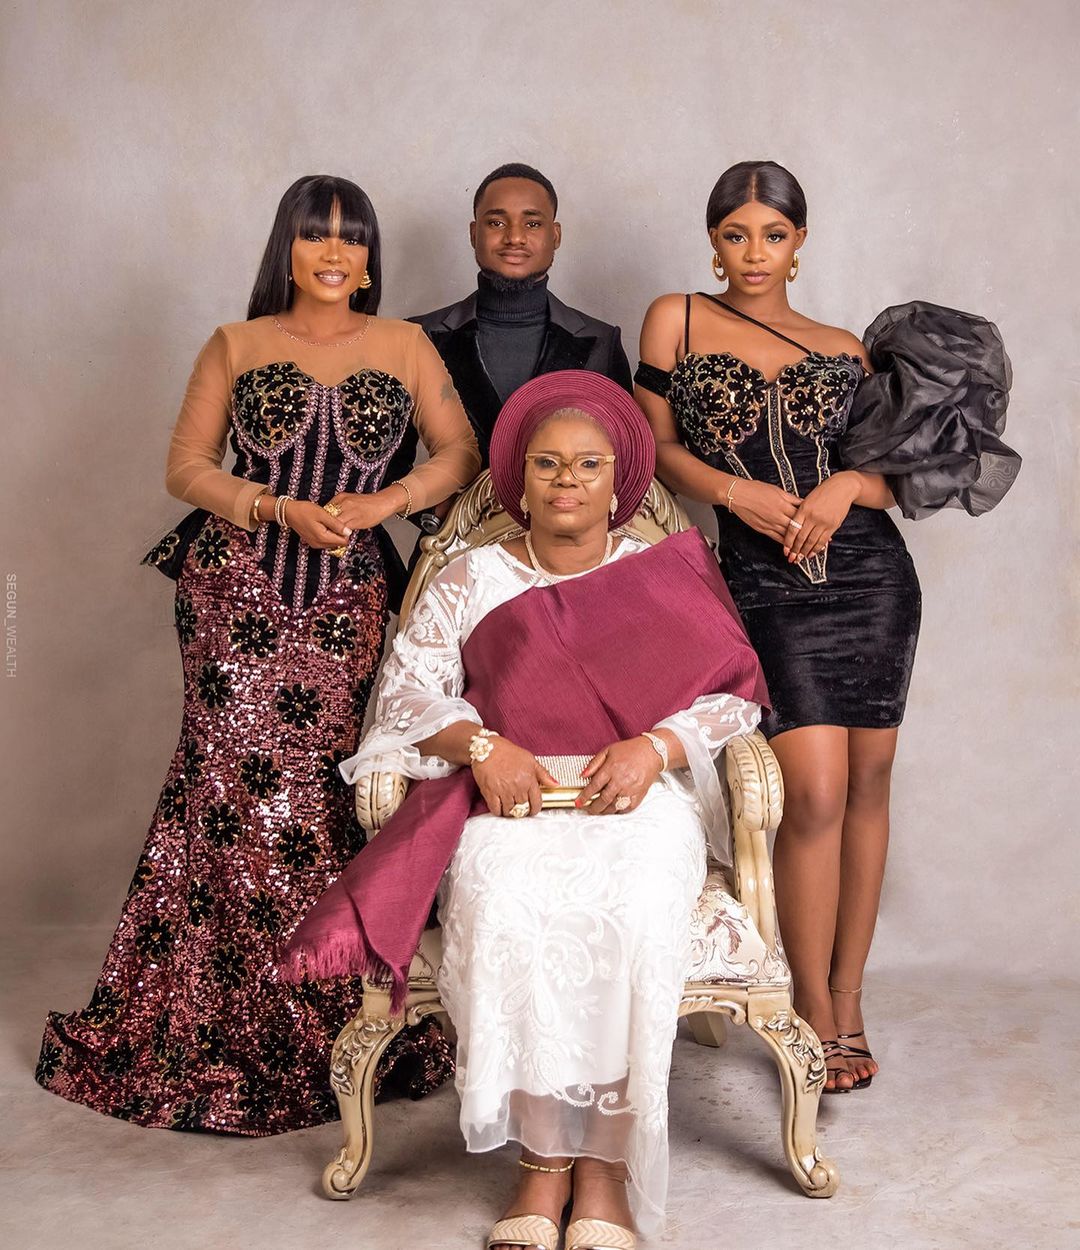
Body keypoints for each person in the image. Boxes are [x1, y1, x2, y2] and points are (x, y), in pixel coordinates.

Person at [280, 372, 769, 1248]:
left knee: (628, 900)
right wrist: (481, 747)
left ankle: (607, 1170)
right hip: (513, 796)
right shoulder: (470, 577)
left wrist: (654, 748)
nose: (567, 480)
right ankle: (542, 1166)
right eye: (548, 463)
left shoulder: (657, 572)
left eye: (587, 464)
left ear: (617, 480)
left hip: (633, 796)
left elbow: (733, 696)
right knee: (509, 899)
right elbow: (404, 695)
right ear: (523, 478)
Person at [35, 175, 481, 1133]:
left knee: (329, 785)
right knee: (228, 787)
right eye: (316, 237)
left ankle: (330, 1004)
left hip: (348, 601)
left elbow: (460, 456)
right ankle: (221, 1014)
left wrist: (379, 505)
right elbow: (184, 468)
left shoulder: (404, 346)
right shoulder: (235, 345)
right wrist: (272, 506)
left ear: (369, 257)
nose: (335, 255)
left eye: (352, 240)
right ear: (286, 247)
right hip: (233, 590)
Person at [635, 160, 1019, 1094]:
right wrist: (737, 493)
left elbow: (895, 478)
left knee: (871, 781)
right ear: (712, 239)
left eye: (773, 235)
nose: (753, 253)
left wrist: (847, 483)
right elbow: (654, 453)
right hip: (762, 583)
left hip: (870, 578)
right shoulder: (675, 319)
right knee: (810, 793)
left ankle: (849, 999)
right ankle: (810, 1004)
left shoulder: (845, 347)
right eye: (736, 234)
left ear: (800, 243)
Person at [387, 162, 633, 538]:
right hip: (453, 552)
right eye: (496, 223)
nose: (514, 237)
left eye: (532, 223)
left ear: (556, 235)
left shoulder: (600, 342)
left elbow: (625, 465)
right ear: (474, 233)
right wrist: (430, 513)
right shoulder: (419, 336)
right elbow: (386, 464)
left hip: (568, 560)